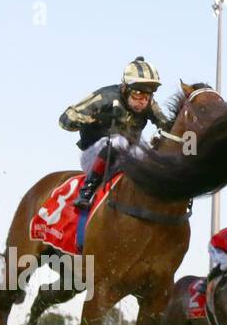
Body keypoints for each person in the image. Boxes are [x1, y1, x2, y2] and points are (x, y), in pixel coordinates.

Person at [59, 57, 173, 212]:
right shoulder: (105, 96)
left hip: (128, 156)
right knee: (119, 141)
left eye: (147, 96)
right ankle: (86, 191)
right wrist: (95, 119)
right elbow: (65, 119)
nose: (142, 101)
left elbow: (167, 126)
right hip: (94, 156)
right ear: (126, 89)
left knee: (146, 150)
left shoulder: (149, 105)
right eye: (137, 94)